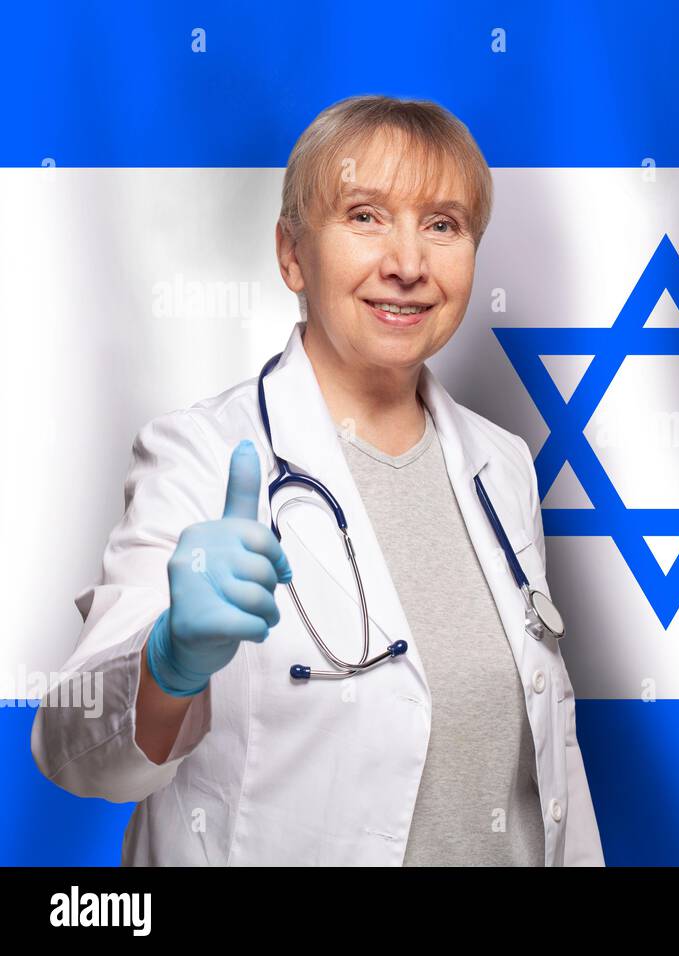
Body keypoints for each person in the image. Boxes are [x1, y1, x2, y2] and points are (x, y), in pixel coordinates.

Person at [30, 94, 605, 866]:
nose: (407, 263)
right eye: (365, 216)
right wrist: (166, 664)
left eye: (443, 225)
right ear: (292, 253)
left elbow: (546, 776)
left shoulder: (501, 466)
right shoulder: (200, 454)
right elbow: (73, 743)